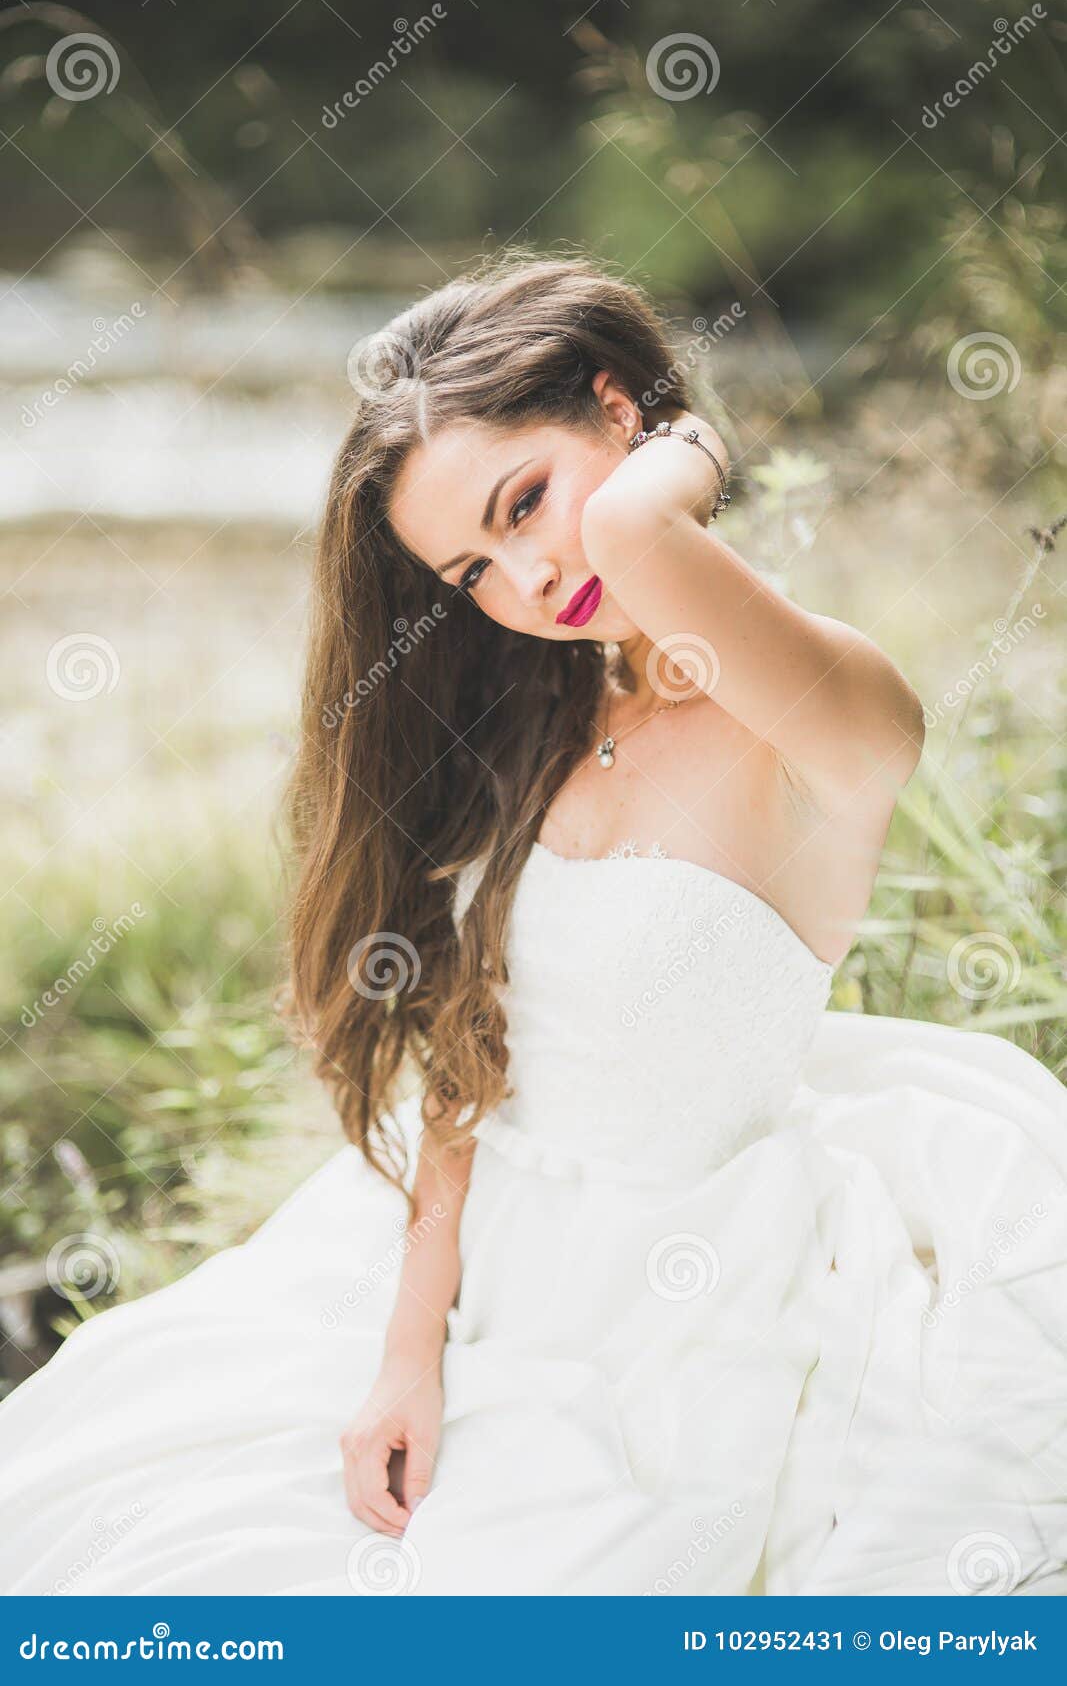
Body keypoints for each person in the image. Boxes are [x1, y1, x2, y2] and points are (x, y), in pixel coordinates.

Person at [1, 254, 1065, 1597]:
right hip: (463, 1268)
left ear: (620, 413)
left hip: (687, 1298)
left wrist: (685, 460)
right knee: (122, 1529)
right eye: (475, 566)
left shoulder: (829, 720)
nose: (526, 576)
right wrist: (407, 1351)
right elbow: (468, 1074)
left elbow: (639, 546)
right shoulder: (541, 735)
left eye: (527, 503)